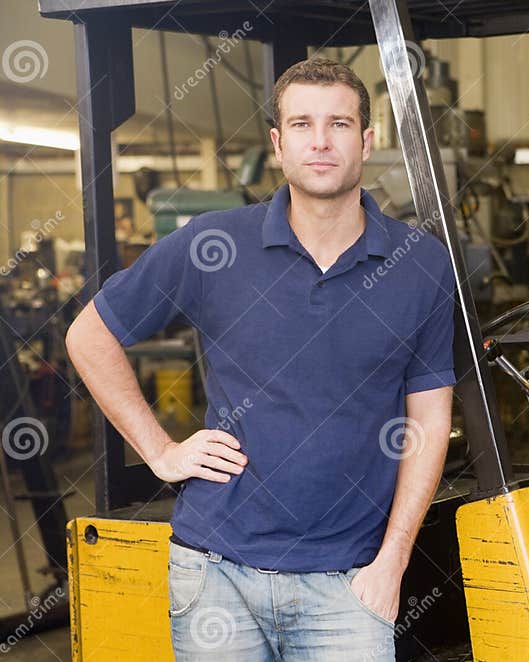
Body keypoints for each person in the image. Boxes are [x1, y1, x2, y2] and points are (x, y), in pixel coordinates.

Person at [65, 58, 457, 661]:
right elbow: (88, 336)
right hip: (216, 575)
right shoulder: (212, 245)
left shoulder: (421, 265)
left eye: (339, 124)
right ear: (278, 143)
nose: (320, 141)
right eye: (301, 124)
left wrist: (394, 561)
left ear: (368, 141)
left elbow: (429, 423)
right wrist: (161, 452)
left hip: (349, 583)